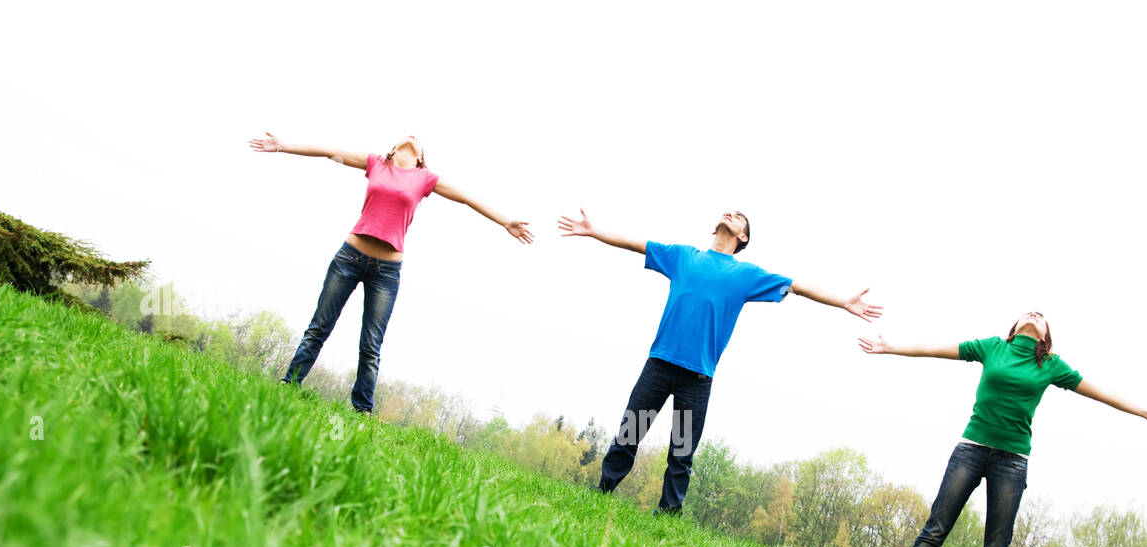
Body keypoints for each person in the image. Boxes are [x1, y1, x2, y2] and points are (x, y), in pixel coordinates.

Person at [858, 312, 1147, 547]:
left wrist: (1144, 412)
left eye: (1041, 317)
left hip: (1011, 463)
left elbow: (1099, 392)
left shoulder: (1049, 365)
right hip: (971, 449)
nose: (1034, 314)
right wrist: (891, 347)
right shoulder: (993, 347)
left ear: (1045, 338)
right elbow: (937, 349)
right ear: (1015, 327)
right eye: (1029, 313)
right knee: (936, 530)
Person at [558, 208, 882, 514]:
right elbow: (636, 244)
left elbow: (798, 286)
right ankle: (602, 491)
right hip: (659, 365)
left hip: (695, 380)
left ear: (743, 238)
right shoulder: (684, 257)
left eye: (739, 217)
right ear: (715, 227)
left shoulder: (745, 275)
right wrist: (593, 230)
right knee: (630, 433)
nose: (731, 215)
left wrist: (843, 302)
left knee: (681, 453)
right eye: (728, 212)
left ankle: (668, 515)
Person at [249, 132, 534, 414]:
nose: (412, 135)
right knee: (319, 327)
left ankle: (362, 410)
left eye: (418, 138)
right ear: (393, 149)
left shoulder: (425, 180)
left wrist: (505, 221)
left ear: (421, 158)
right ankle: (290, 383)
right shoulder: (376, 164)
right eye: (405, 135)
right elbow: (328, 150)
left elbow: (467, 199)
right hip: (349, 257)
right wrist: (283, 146)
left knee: (371, 344)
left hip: (386, 272)